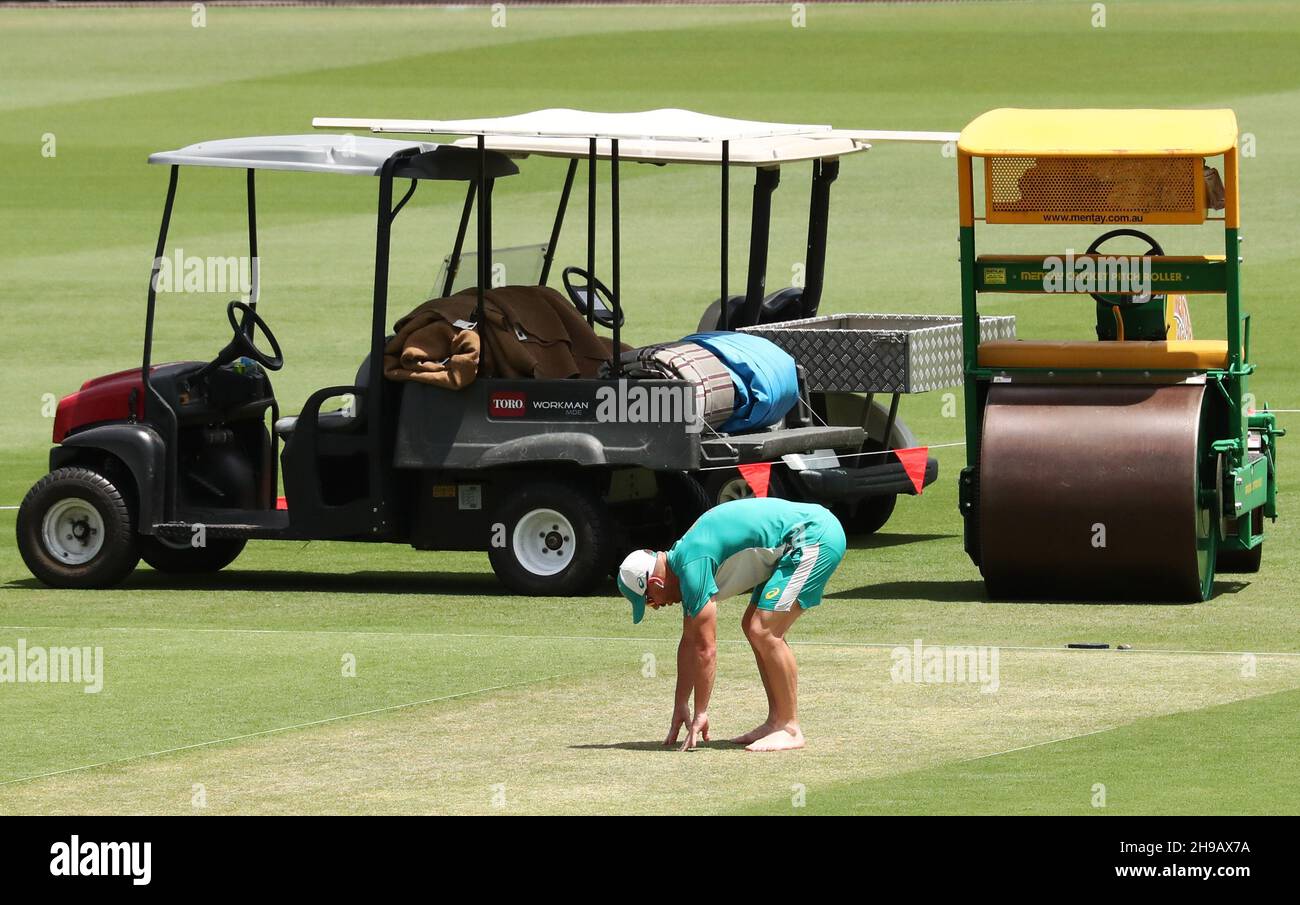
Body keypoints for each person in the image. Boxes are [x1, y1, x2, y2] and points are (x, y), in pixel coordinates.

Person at [616, 496, 847, 752]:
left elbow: (706, 649)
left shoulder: (691, 566)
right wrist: (682, 703)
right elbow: (690, 641)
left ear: (655, 584)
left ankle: (790, 728)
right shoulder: (685, 561)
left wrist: (701, 711)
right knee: (753, 625)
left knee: (765, 630)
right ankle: (776, 721)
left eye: (649, 602)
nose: (657, 607)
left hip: (815, 537)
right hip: (806, 535)